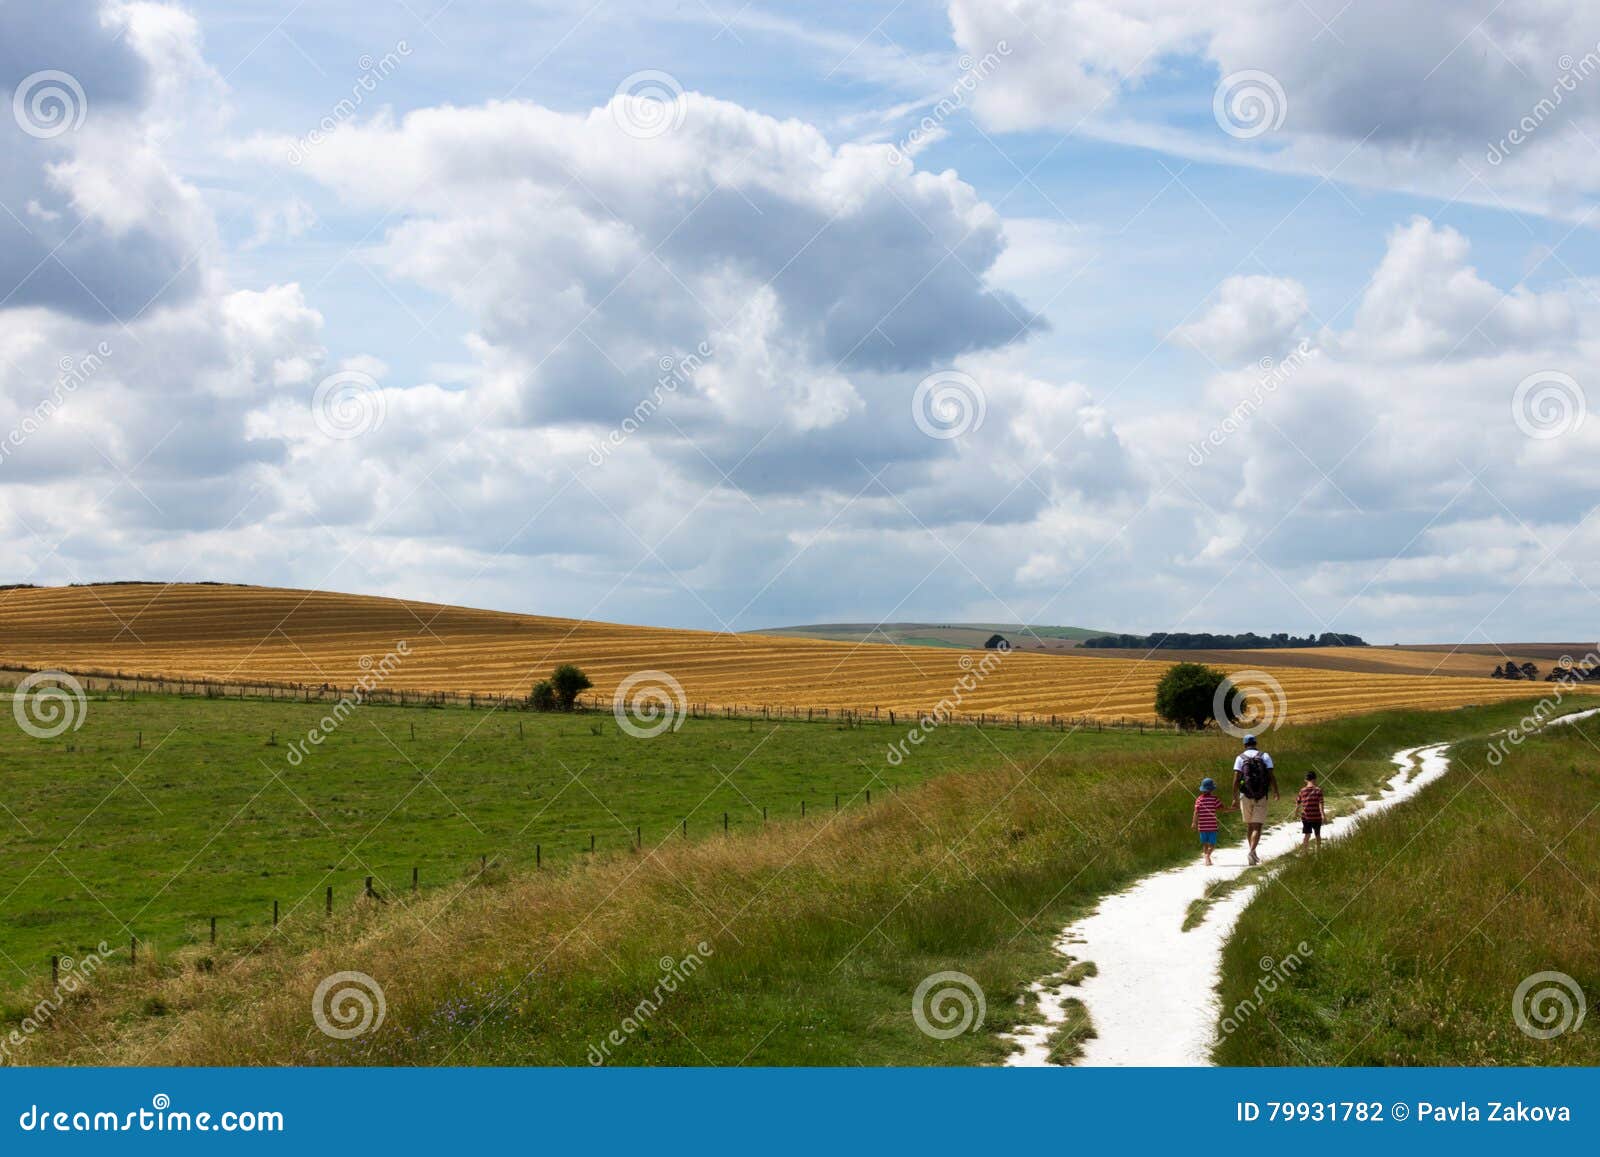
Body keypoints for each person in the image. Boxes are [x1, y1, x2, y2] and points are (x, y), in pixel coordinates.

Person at [1231, 734, 1278, 865]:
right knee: (1257, 826)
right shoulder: (1265, 756)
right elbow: (1271, 775)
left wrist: (1234, 797)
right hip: (1261, 795)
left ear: (1244, 745)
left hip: (1245, 795)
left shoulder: (1240, 758)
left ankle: (1252, 851)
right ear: (1256, 743)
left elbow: (1236, 779)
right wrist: (1276, 791)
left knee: (1250, 825)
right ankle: (1252, 852)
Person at [1192, 777, 1223, 866]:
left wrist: (1194, 822)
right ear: (1211, 789)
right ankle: (1207, 856)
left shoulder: (1199, 799)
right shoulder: (1214, 799)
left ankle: (1206, 858)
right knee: (1212, 844)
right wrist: (1231, 809)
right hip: (1212, 826)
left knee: (1205, 844)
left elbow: (1196, 812)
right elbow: (1221, 808)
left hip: (1202, 826)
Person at [1295, 770, 1326, 850]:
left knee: (1307, 835)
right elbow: (1321, 803)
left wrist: (1296, 813)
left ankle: (1305, 853)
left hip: (1306, 817)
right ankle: (1318, 852)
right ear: (1315, 779)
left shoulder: (1302, 790)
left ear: (1306, 780)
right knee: (1317, 835)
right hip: (1316, 816)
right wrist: (1323, 815)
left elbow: (1298, 803)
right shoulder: (1318, 790)